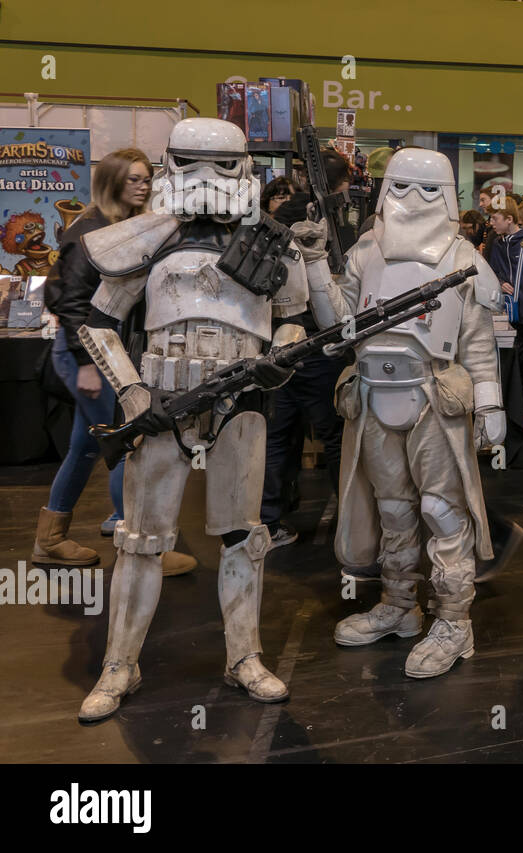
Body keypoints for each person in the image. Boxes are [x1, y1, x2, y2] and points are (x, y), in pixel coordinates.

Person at [75, 118, 335, 721]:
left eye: (222, 165)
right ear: (171, 165)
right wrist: (134, 392)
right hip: (162, 404)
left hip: (240, 404)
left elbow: (296, 315)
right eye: (193, 163)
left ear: (244, 169)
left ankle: (243, 655)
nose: (208, 180)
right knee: (141, 542)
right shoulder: (150, 238)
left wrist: (281, 354)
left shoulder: (271, 242)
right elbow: (98, 324)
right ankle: (120, 663)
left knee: (244, 536)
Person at [322, 148, 506, 679]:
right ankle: (400, 605)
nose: (413, 200)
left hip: (434, 395)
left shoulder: (463, 258)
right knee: (393, 508)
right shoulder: (363, 254)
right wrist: (313, 269)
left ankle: (454, 619)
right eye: (402, 187)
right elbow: (337, 326)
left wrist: (490, 401)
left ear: (448, 196)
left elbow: (476, 341)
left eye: (428, 190)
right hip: (374, 394)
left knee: (442, 510)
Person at [38, 148, 197, 577]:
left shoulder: (127, 227)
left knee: (88, 444)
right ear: (112, 183)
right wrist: (86, 364)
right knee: (125, 443)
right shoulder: (88, 231)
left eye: (147, 178)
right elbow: (67, 301)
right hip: (89, 354)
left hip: (107, 351)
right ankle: (143, 548)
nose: (144, 186)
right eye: (134, 179)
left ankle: (50, 538)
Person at [257, 148, 349, 549]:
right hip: (317, 343)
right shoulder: (333, 221)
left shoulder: (275, 221)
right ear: (342, 184)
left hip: (277, 342)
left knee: (277, 435)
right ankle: (351, 518)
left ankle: (268, 520)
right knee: (335, 435)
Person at [487, 196, 523, 418]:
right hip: (507, 319)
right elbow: (492, 273)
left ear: (509, 219)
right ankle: (518, 416)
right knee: (514, 371)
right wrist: (499, 283)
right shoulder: (498, 244)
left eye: (495, 218)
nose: (491, 222)